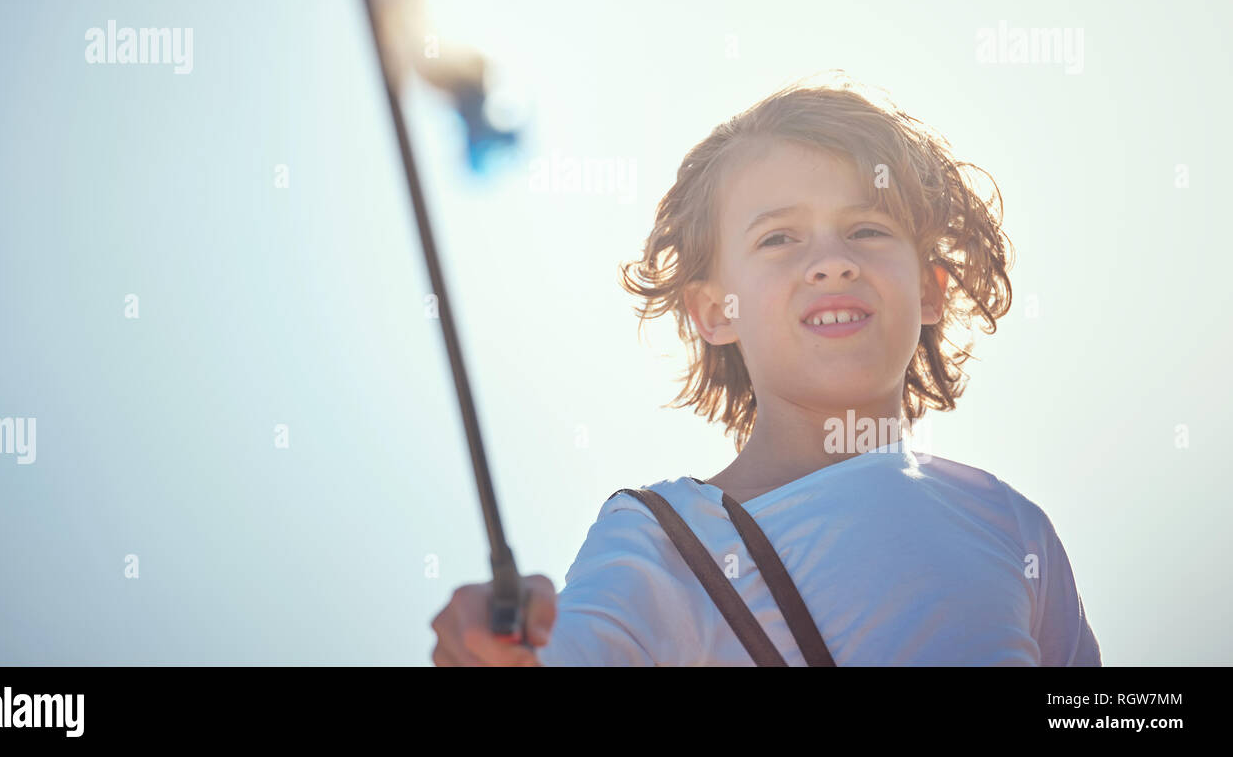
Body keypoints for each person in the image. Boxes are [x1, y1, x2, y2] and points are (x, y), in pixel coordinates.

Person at [430, 75, 1102, 666]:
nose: (832, 261)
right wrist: (500, 650)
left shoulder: (1013, 526)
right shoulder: (662, 539)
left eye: (867, 228)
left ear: (929, 289)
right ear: (713, 309)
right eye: (779, 237)